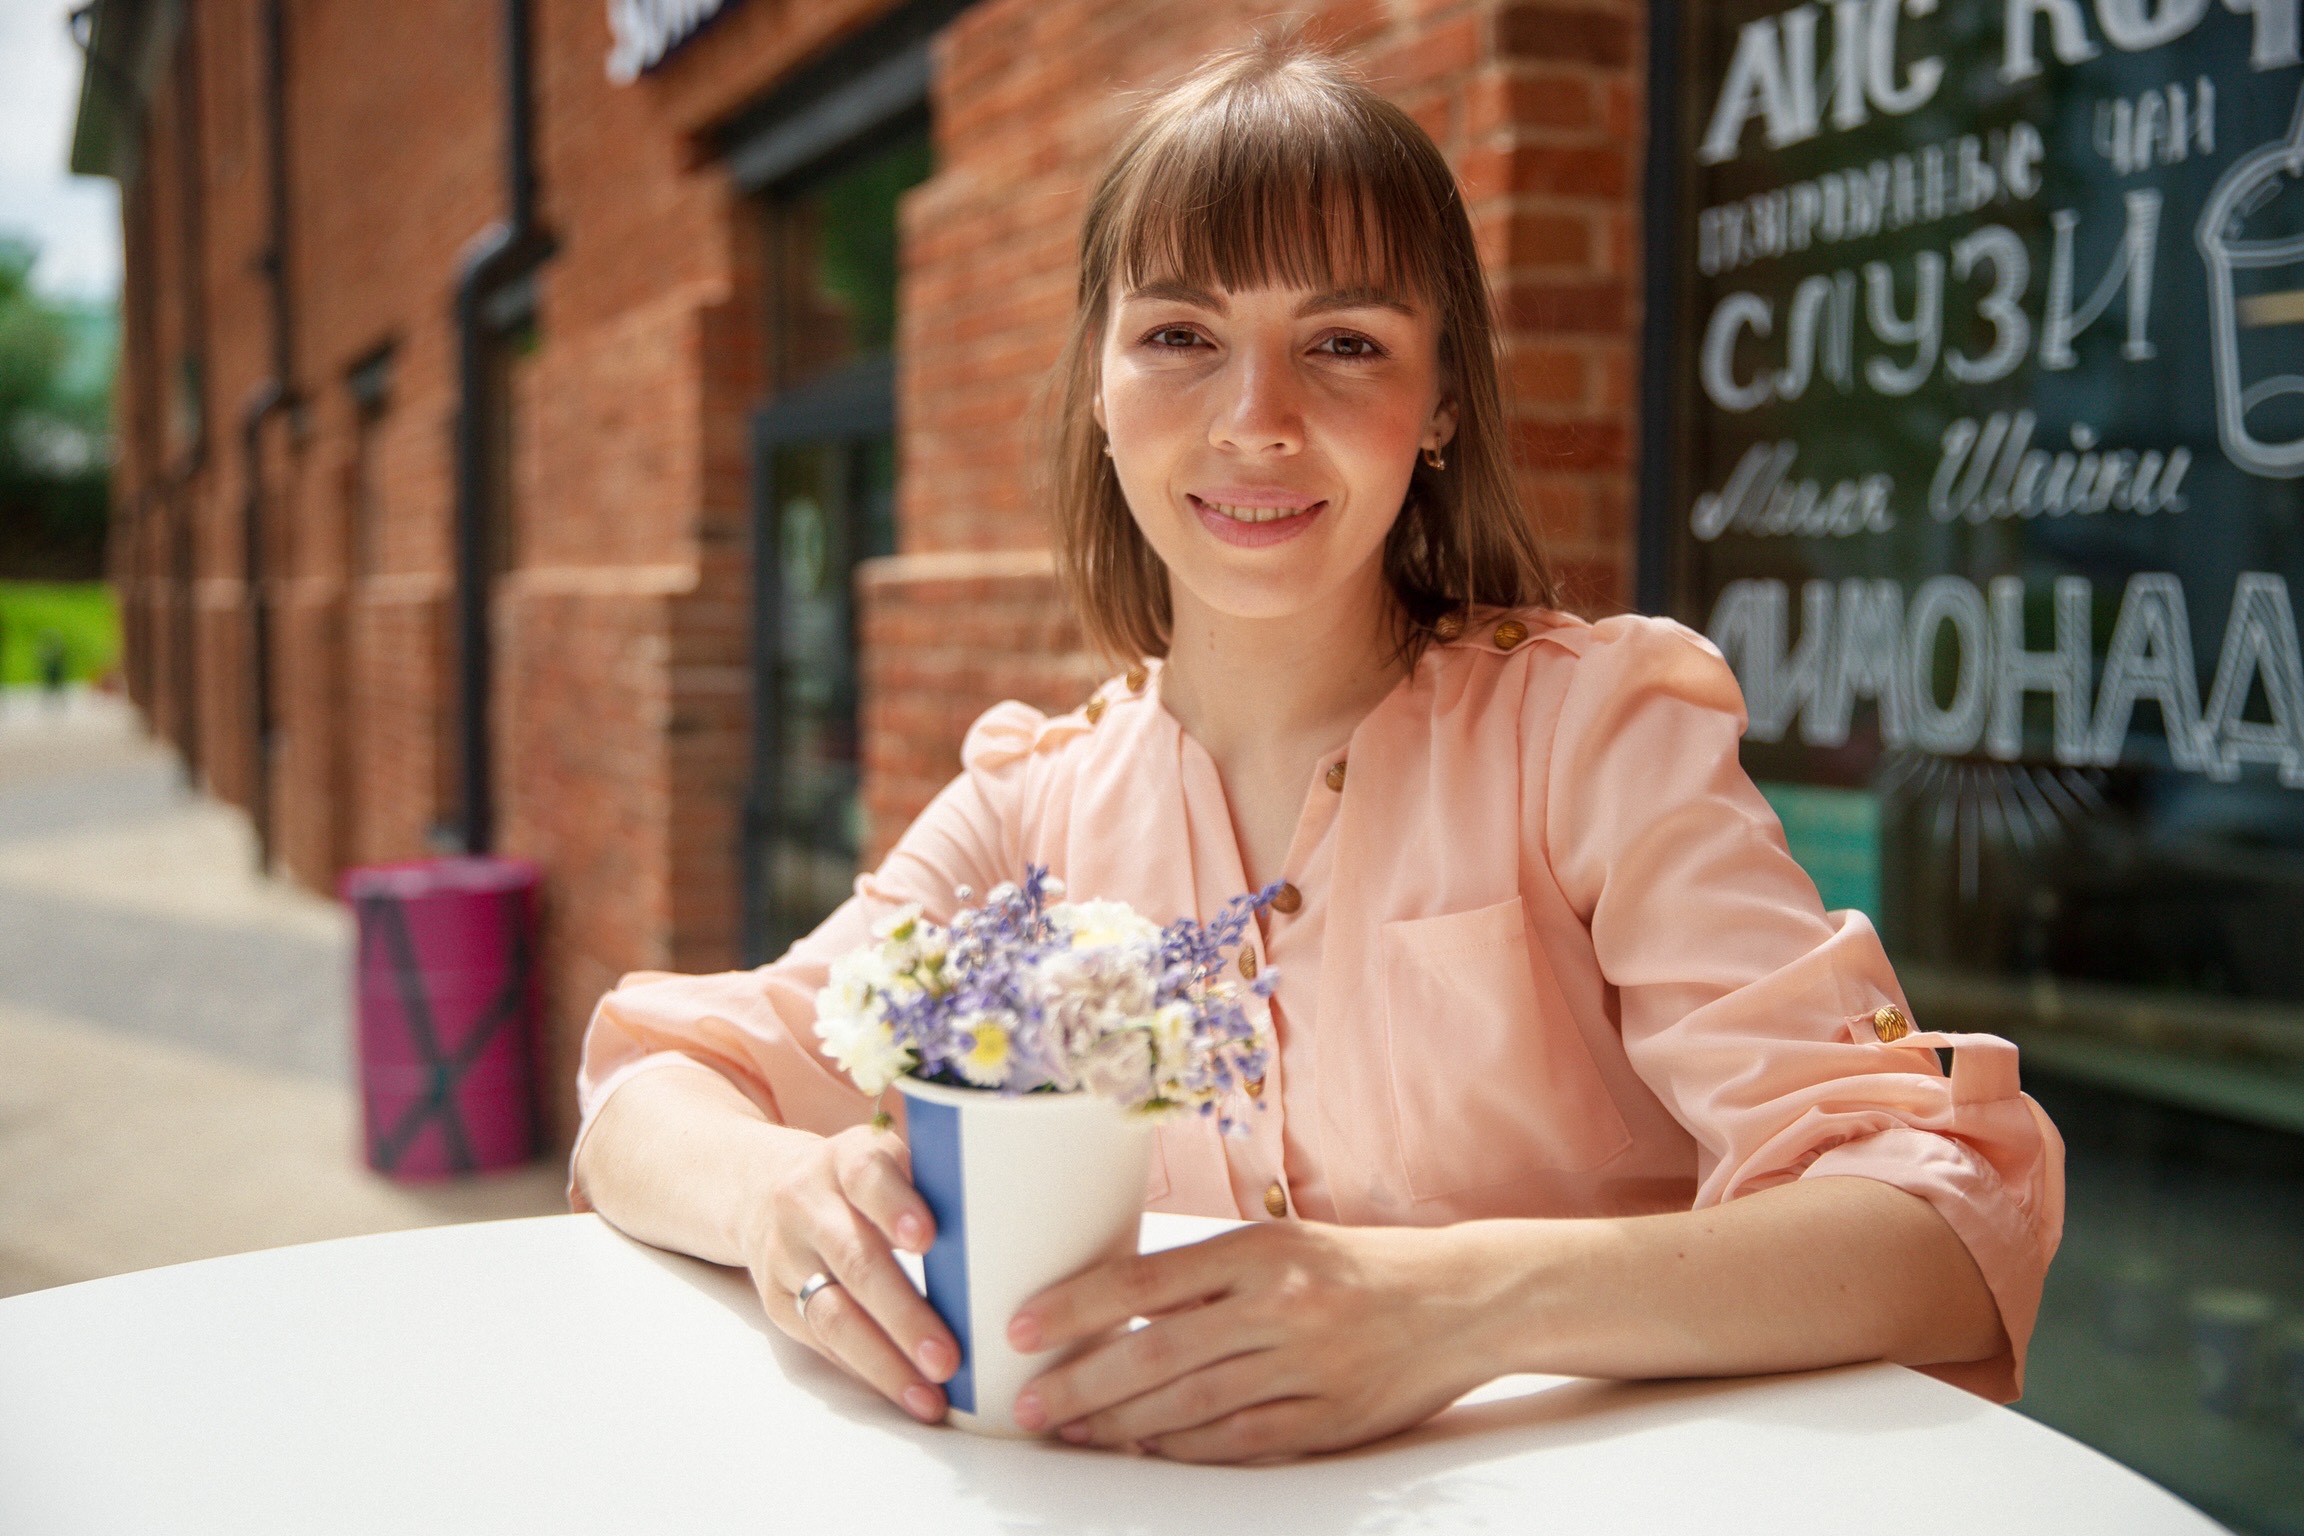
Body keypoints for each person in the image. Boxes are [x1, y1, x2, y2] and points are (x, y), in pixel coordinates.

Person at [571, 34, 2063, 1465]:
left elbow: (1932, 1230)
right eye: (1179, 337)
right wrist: (786, 1202)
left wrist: (1456, 1305)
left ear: (1441, 402)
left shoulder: (1592, 736)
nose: (1257, 419)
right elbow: (652, 1092)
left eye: (1344, 343)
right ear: (1099, 387)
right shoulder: (1028, 810)